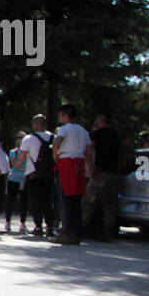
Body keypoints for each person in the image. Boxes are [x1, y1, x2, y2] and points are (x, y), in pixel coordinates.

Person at [52, 103, 91, 245]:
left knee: (65, 198)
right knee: (76, 200)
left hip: (67, 163)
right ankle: (77, 232)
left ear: (66, 115)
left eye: (61, 115)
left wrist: (56, 156)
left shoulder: (64, 129)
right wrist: (90, 170)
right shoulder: (84, 131)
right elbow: (88, 152)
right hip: (79, 165)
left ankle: (67, 232)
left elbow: (57, 143)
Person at [83, 113, 123, 241]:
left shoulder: (97, 134)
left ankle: (82, 228)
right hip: (115, 173)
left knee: (89, 201)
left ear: (100, 122)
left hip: (101, 172)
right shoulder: (117, 134)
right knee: (110, 204)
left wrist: (91, 169)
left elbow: (88, 151)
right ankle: (107, 232)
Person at [20, 114, 54, 236]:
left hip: (33, 172)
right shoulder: (53, 137)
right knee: (48, 201)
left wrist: (18, 165)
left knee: (35, 201)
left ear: (34, 124)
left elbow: (22, 156)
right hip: (49, 173)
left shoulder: (28, 138)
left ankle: (38, 227)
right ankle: (50, 227)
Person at [5, 129, 29, 233]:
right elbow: (15, 165)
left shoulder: (29, 152)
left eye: (22, 138)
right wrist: (23, 163)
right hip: (13, 178)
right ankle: (7, 222)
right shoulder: (13, 151)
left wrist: (23, 165)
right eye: (18, 138)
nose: (20, 140)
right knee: (10, 200)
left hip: (24, 179)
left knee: (24, 201)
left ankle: (23, 223)